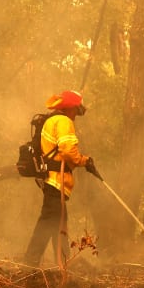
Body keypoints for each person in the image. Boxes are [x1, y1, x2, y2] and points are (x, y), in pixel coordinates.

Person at [22, 90, 99, 266]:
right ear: (71, 108)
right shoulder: (63, 121)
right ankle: (29, 263)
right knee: (48, 221)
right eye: (76, 111)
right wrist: (84, 161)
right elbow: (68, 151)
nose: (76, 116)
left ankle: (63, 263)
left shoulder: (53, 120)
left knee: (59, 224)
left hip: (53, 180)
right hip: (56, 180)